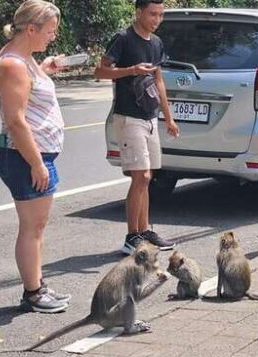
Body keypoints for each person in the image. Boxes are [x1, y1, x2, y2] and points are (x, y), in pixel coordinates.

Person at [0, 0, 71, 313]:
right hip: (25, 156)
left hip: (32, 155)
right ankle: (33, 292)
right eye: (49, 31)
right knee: (32, 228)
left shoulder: (21, 57)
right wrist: (37, 163)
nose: (52, 37)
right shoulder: (12, 63)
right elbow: (15, 120)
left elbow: (29, 82)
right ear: (30, 29)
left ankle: (37, 285)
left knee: (36, 227)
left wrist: (45, 68)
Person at [94, 0, 180, 255]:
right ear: (139, 12)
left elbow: (158, 80)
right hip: (128, 117)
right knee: (140, 176)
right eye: (153, 14)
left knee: (148, 177)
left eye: (161, 15)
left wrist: (169, 117)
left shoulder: (156, 43)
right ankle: (132, 236)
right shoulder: (123, 38)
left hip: (150, 117)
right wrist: (131, 70)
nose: (157, 19)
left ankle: (145, 231)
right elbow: (99, 71)